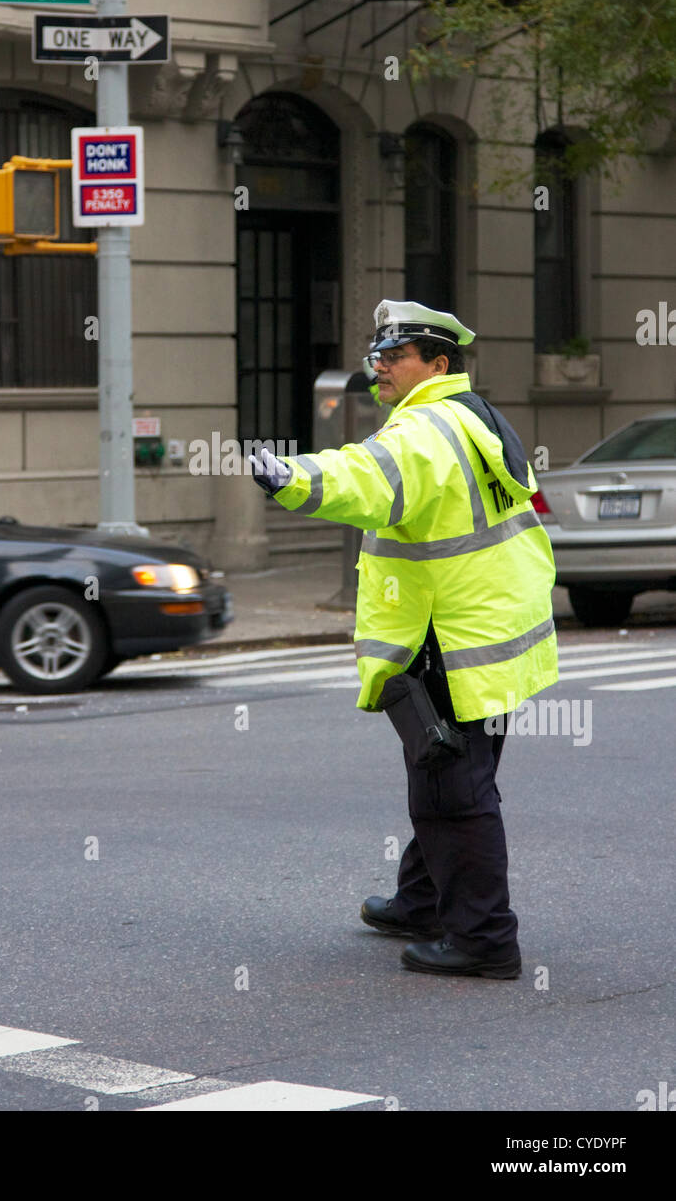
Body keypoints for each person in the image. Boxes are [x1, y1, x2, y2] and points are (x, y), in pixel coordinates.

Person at [249, 299, 558, 979]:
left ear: (437, 364)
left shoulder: (423, 429)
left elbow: (367, 478)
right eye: (377, 355)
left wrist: (291, 477)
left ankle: (483, 940)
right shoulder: (473, 415)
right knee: (445, 769)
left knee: (451, 788)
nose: (380, 365)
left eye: (396, 355)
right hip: (490, 629)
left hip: (451, 638)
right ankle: (423, 901)